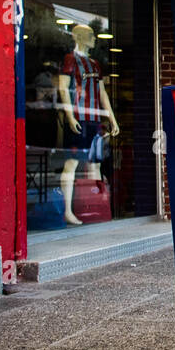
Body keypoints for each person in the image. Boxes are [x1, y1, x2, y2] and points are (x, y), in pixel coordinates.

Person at [56, 24, 120, 225]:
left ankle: (94, 208)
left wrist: (111, 118)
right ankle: (68, 210)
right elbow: (63, 89)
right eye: (91, 35)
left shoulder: (94, 64)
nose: (94, 39)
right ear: (81, 37)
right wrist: (69, 116)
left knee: (95, 162)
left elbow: (101, 93)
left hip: (94, 120)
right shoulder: (70, 60)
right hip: (78, 117)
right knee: (72, 162)